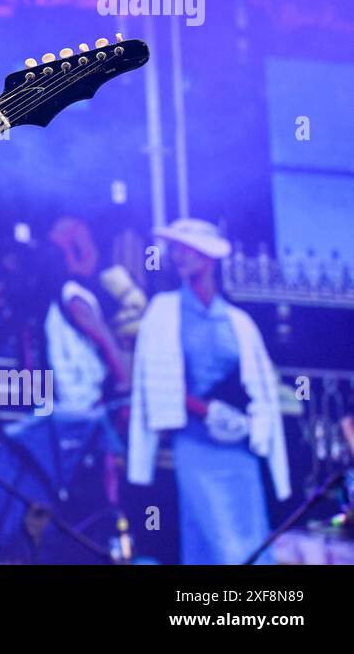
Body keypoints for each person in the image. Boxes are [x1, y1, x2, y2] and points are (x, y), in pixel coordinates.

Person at [127, 218, 291, 564]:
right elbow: (158, 385)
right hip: (195, 442)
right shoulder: (164, 310)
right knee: (214, 538)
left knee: (249, 536)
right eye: (176, 249)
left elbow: (261, 390)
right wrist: (206, 411)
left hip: (238, 448)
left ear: (209, 258)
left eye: (188, 249)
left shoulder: (238, 321)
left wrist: (247, 427)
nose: (179, 255)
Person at [0, 217, 128, 563]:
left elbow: (108, 345)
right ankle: (2, 543)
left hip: (81, 411)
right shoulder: (48, 304)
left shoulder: (72, 297)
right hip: (66, 411)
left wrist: (124, 392)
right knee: (32, 470)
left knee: (21, 452)